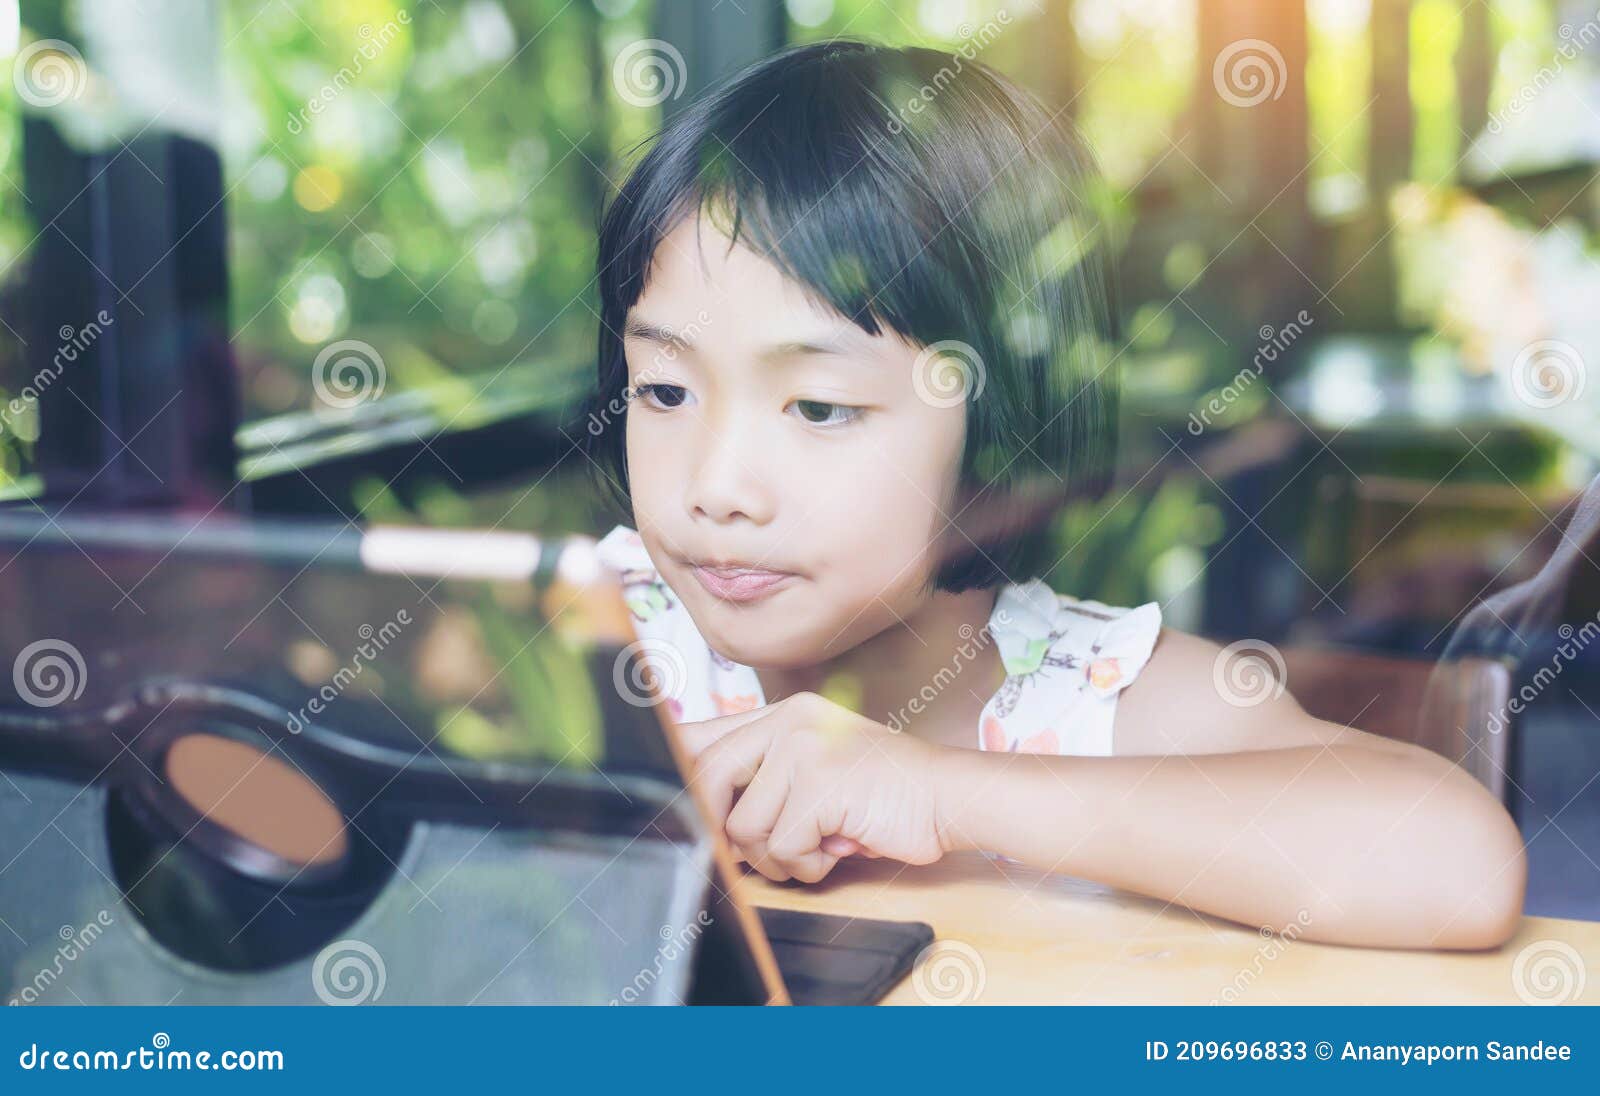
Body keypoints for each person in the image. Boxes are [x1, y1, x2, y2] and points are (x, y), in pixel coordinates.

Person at [583, 39, 1524, 949]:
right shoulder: (583, 638)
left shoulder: (1088, 697)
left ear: (1003, 430)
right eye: (664, 391)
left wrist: (938, 791)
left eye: (820, 407)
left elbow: (1459, 869)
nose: (715, 487)